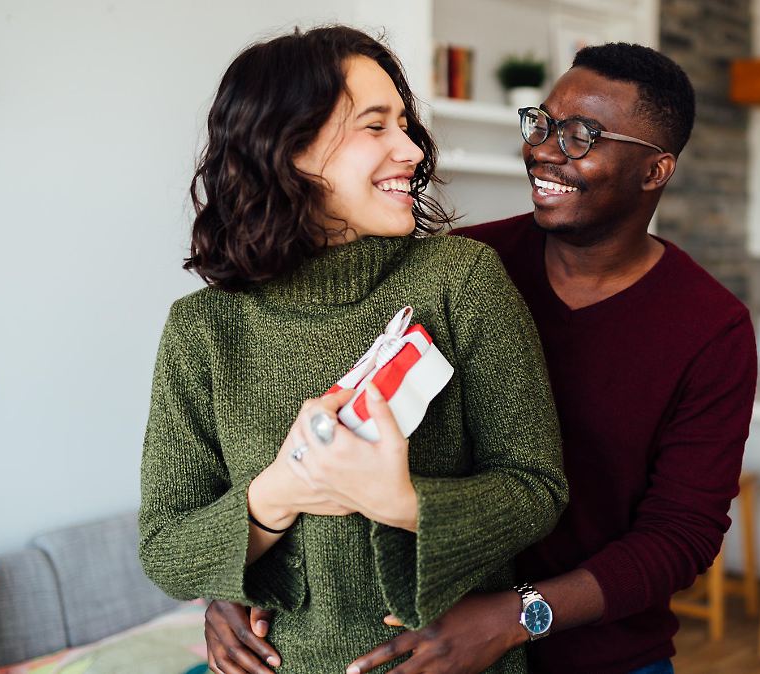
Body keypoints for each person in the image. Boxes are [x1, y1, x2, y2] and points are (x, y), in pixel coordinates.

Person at [203, 42, 757, 674]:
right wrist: (233, 568)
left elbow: (680, 535)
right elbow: (319, 440)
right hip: (425, 635)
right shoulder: (459, 271)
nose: (546, 150)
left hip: (605, 653)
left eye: (583, 135)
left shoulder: (711, 328)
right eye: (543, 123)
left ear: (654, 171)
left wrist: (511, 617)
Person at [139, 26, 567, 674]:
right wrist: (279, 493)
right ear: (287, 150)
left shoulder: (462, 281)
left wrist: (402, 502)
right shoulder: (202, 332)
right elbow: (165, 547)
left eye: (405, 123)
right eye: (375, 126)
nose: (411, 149)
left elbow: (537, 486)